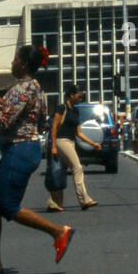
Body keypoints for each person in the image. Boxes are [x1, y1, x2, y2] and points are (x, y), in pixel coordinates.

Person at [0, 45, 74, 274]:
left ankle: (58, 231)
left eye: (16, 59)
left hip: (20, 149)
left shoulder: (22, 88)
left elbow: (2, 122)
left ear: (24, 64)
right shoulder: (38, 89)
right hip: (25, 149)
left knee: (7, 205)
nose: (13, 63)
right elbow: (41, 120)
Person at [47, 83, 99, 213]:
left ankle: (53, 203)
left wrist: (93, 144)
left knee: (59, 172)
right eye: (79, 96)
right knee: (77, 168)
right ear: (71, 95)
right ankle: (84, 200)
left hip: (71, 142)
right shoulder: (61, 108)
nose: (80, 99)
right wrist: (53, 146)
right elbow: (54, 127)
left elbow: (79, 132)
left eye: (82, 97)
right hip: (61, 141)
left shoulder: (75, 110)